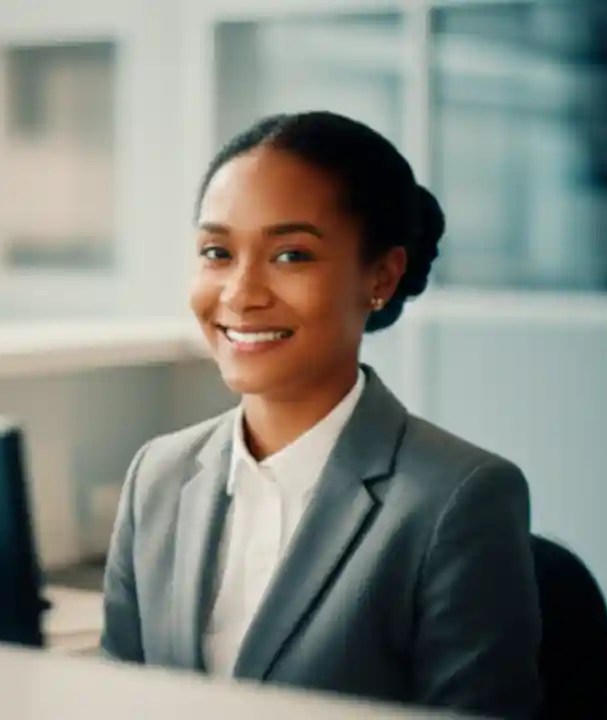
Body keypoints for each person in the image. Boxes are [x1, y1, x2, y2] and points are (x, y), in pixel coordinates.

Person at [101, 111, 541, 718]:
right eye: (217, 251)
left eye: (290, 256)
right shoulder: (158, 476)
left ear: (381, 275)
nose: (241, 293)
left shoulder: (458, 500)